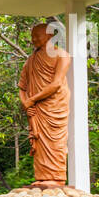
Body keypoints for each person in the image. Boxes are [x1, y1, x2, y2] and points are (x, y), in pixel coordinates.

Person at [18, 22, 71, 187]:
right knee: (39, 139)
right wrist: (26, 104)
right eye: (32, 36)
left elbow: (56, 84)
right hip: (37, 109)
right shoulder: (31, 60)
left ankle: (56, 177)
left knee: (56, 141)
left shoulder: (62, 55)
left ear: (49, 35)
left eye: (37, 36)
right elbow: (22, 87)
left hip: (55, 106)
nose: (33, 39)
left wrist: (32, 100)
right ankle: (42, 177)